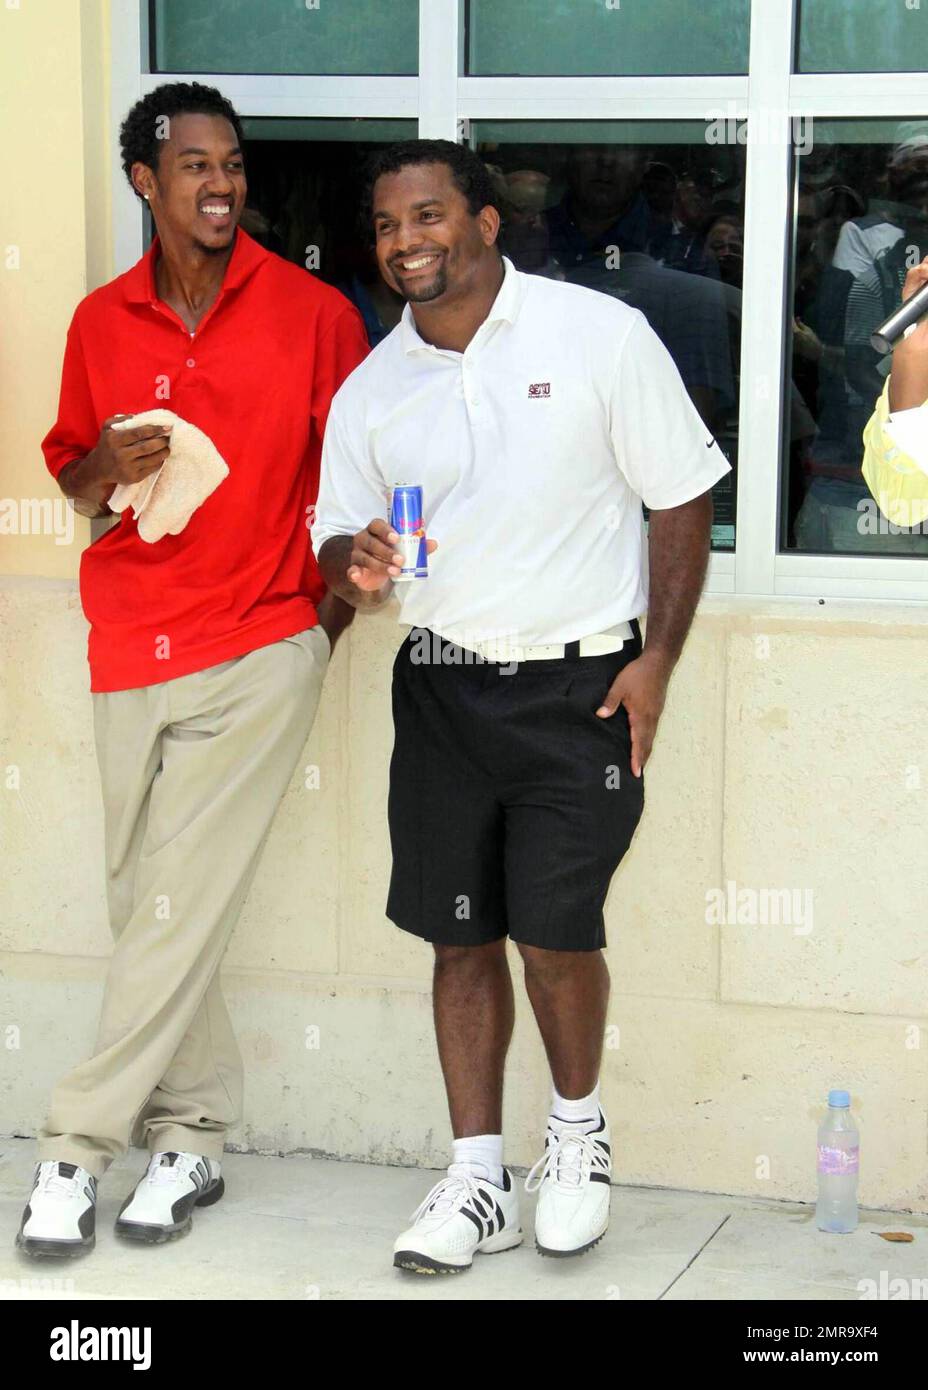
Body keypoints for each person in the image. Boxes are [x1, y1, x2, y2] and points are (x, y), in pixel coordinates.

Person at [311, 139, 730, 1274]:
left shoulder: (594, 334)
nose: (408, 242)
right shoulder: (372, 387)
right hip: (441, 685)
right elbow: (338, 536)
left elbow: (681, 492)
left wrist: (658, 662)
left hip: (578, 689)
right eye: (390, 225)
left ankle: (578, 1140)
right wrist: (354, 562)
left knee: (555, 932)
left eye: (431, 215)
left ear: (486, 223)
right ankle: (477, 1174)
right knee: (458, 935)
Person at [17, 82, 368, 1258]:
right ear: (144, 183)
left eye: (232, 164)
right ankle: (194, 1135)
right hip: (129, 639)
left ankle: (73, 1149)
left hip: (264, 640)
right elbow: (75, 481)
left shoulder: (314, 313)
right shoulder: (98, 321)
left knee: (172, 901)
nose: (220, 185)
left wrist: (324, 618)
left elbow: (362, 477)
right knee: (154, 902)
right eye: (194, 167)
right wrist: (100, 463)